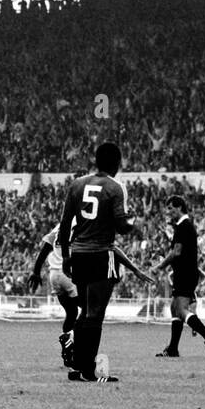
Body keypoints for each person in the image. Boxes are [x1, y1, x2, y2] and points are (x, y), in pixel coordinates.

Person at [57, 142, 142, 383]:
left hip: (78, 254)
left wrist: (65, 256)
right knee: (95, 314)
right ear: (117, 163)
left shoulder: (77, 185)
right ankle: (87, 369)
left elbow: (65, 224)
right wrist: (134, 222)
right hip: (100, 254)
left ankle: (78, 366)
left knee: (86, 311)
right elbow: (121, 226)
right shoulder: (116, 187)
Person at [153, 195, 205, 359]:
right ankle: (172, 349)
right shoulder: (183, 226)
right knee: (174, 308)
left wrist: (160, 266)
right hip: (184, 272)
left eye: (170, 208)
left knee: (182, 310)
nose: (168, 211)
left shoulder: (183, 226)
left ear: (179, 208)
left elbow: (176, 252)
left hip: (184, 273)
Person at [29, 223, 79, 368]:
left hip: (54, 276)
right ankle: (74, 346)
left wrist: (36, 271)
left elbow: (44, 250)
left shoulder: (59, 227)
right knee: (88, 312)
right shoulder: (82, 223)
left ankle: (67, 350)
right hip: (68, 274)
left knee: (72, 312)